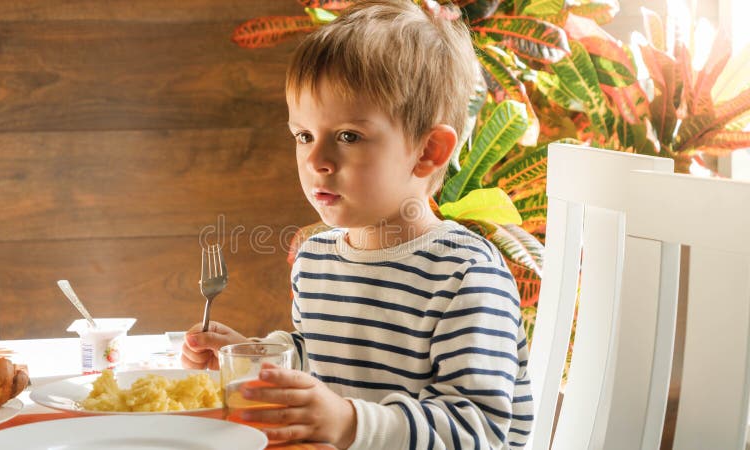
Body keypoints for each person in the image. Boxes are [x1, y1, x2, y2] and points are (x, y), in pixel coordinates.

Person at [182, 0, 533, 448]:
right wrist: (256, 358)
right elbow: (324, 361)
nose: (315, 161)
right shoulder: (316, 258)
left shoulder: (464, 274)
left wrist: (350, 424)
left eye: (349, 136)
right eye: (304, 135)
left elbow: (478, 431)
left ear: (428, 152)